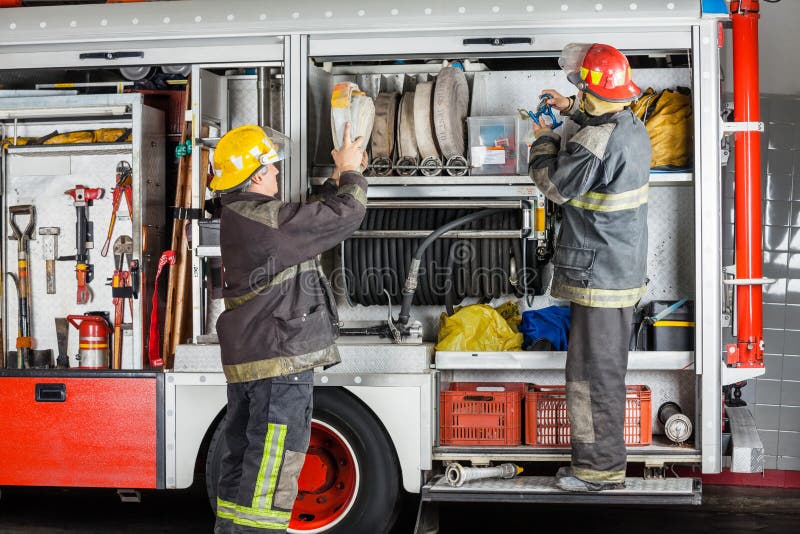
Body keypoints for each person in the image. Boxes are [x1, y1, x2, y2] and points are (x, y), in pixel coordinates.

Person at [210, 122, 367, 532]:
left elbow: (305, 220)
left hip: (257, 359)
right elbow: (347, 214)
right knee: (272, 470)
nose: (278, 175)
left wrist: (335, 181)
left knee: (244, 461)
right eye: (274, 168)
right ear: (258, 173)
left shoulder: (245, 215)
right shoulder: (267, 222)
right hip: (279, 366)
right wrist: (351, 172)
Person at [529, 43, 651, 491]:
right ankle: (595, 465)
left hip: (600, 277)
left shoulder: (599, 139)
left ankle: (599, 473)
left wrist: (542, 136)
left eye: (579, 88)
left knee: (593, 378)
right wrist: (571, 113)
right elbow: (597, 133)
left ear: (590, 91)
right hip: (616, 271)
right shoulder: (630, 123)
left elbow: (554, 184)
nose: (575, 92)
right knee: (595, 374)